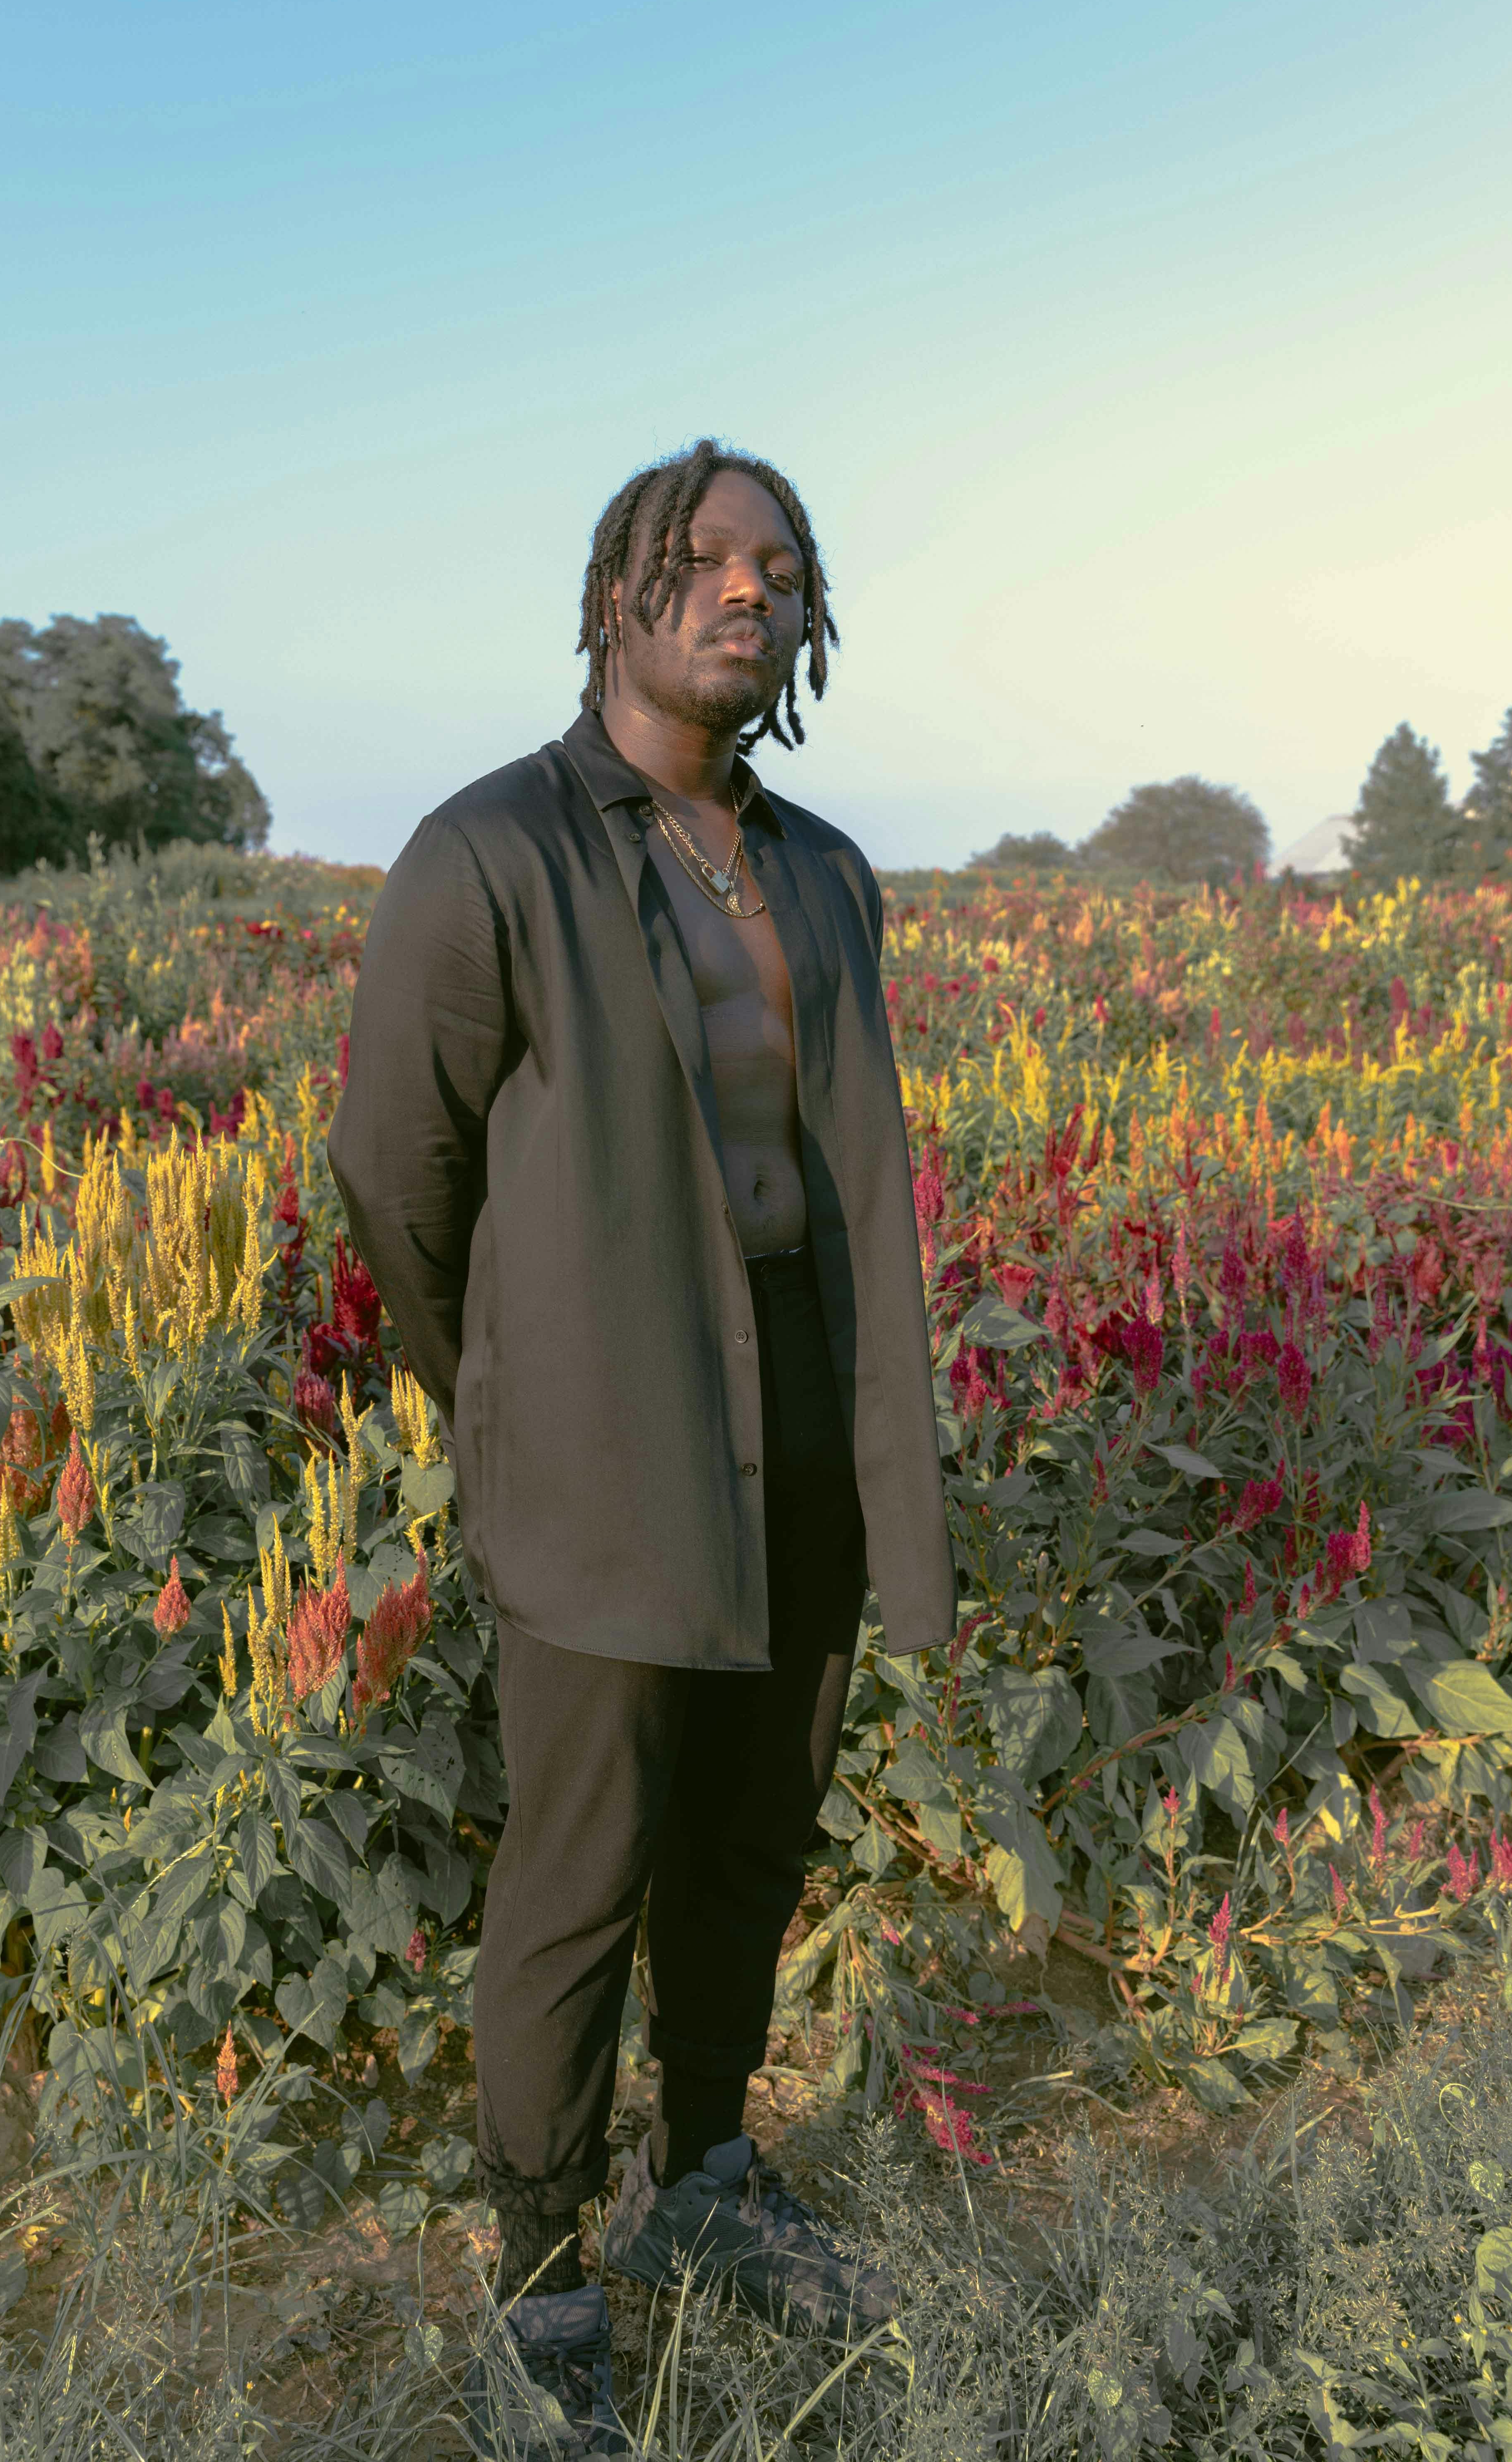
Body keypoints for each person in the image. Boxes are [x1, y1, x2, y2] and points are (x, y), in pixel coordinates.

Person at [328, 438, 954, 2455]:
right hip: (605, 1427)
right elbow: (395, 1182)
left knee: (749, 1839)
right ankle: (534, 2285)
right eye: (699, 559)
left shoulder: (822, 871)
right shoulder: (489, 852)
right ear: (616, 591)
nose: (744, 587)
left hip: (806, 1403)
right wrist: (514, 1391)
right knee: (581, 1872)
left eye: (779, 563)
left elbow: (842, 1167)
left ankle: (700, 2183)